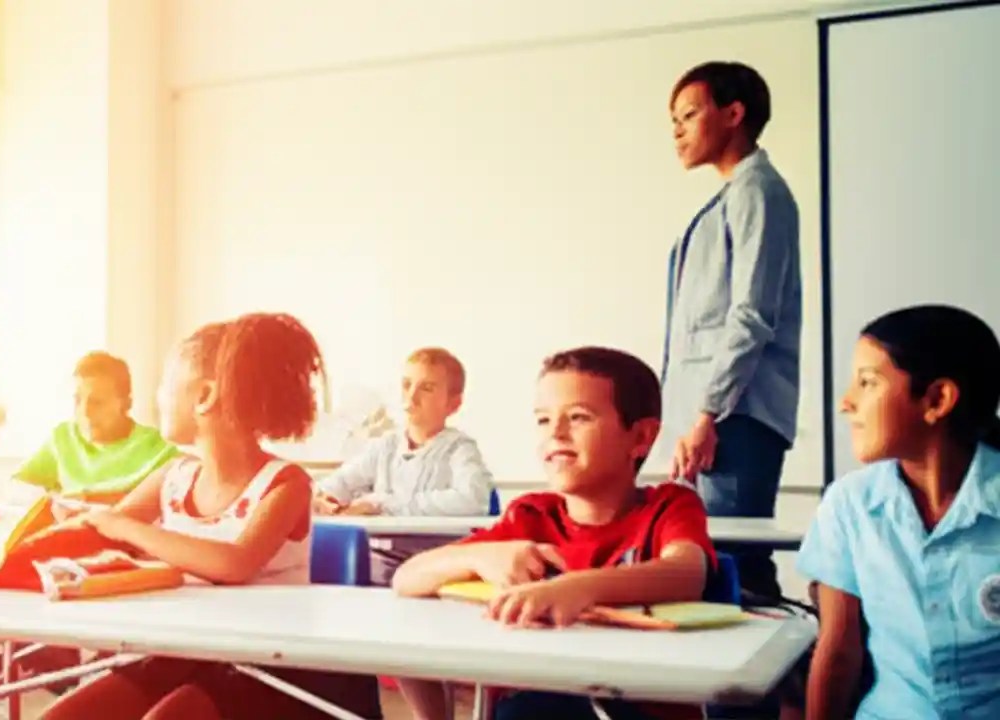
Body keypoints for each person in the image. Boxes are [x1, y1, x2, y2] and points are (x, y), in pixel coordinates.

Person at [40, 312, 379, 720]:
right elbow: (105, 531)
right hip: (189, 649)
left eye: (165, 384)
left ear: (203, 396)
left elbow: (234, 563)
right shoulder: (174, 477)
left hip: (272, 665)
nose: (157, 396)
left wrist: (122, 525)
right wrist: (60, 525)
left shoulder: (286, 484)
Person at [392, 347, 713, 720]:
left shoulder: (667, 506)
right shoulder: (530, 517)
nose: (556, 434)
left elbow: (687, 573)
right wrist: (479, 556)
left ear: (640, 437)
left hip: (639, 707)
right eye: (543, 420)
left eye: (578, 417)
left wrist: (575, 588)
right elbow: (406, 578)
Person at [796, 305, 1000, 720]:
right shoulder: (848, 505)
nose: (846, 403)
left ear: (937, 399)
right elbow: (838, 653)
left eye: (867, 382)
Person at [661, 60, 801, 600]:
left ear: (733, 114)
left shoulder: (756, 192)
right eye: (673, 120)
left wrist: (706, 413)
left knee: (736, 561)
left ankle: (787, 658)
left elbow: (752, 315)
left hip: (733, 417)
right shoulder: (731, 196)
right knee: (716, 559)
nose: (677, 131)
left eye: (688, 115)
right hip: (715, 417)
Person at [314, 347, 494, 584]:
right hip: (381, 557)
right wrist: (325, 497)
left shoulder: (459, 449)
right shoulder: (386, 446)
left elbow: (473, 500)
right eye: (406, 385)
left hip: (437, 562)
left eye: (426, 388)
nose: (411, 397)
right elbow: (341, 482)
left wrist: (382, 504)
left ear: (453, 404)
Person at [13, 351, 177, 512]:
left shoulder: (160, 450)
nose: (85, 412)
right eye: (77, 400)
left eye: (97, 402)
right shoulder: (63, 437)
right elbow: (17, 486)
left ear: (126, 404)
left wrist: (88, 500)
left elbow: (170, 502)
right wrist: (51, 500)